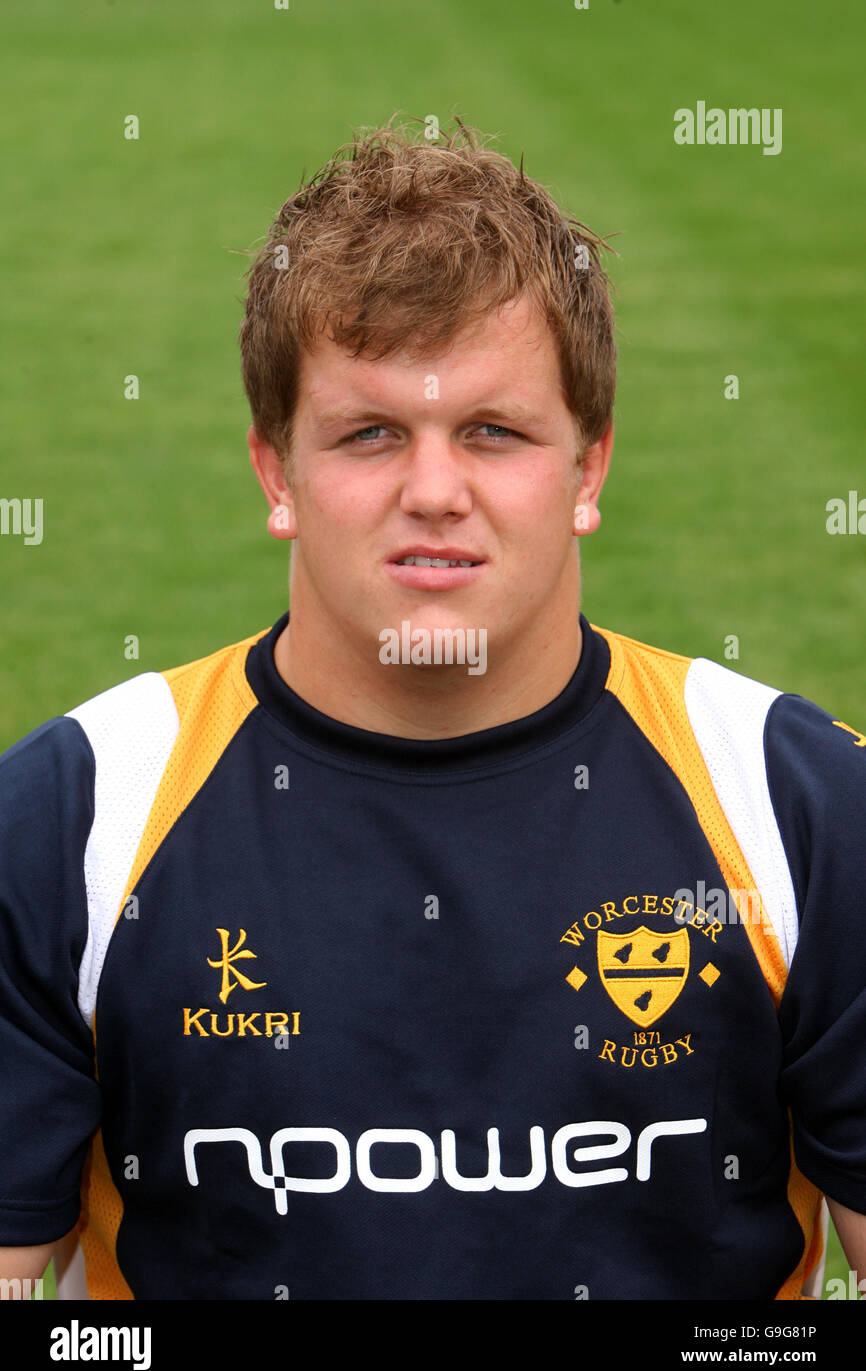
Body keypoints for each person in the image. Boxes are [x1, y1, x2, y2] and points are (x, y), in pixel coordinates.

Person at [1, 119, 864, 1302]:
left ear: (588, 468)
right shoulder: (70, 819)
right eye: (369, 434)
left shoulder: (802, 808)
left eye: (492, 433)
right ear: (275, 473)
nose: (433, 492)